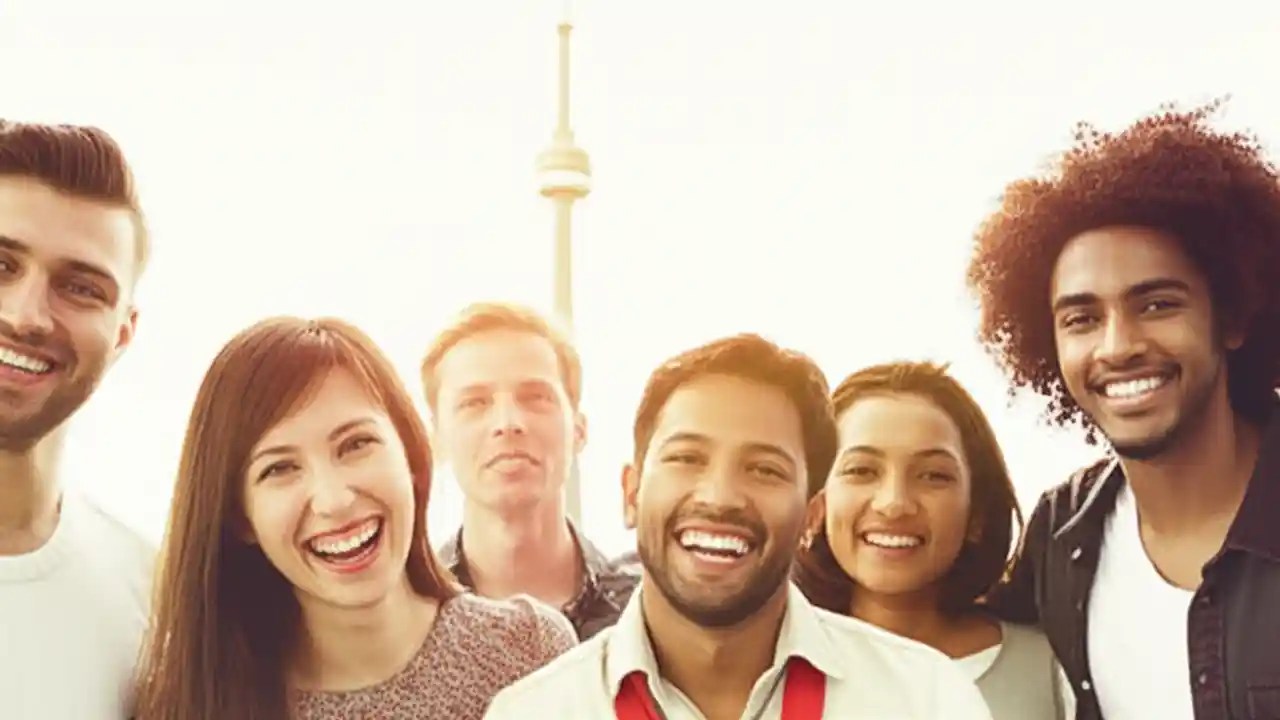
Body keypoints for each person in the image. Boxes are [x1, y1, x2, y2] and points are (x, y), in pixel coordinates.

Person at [484, 334, 994, 719]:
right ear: (631, 493)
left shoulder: (926, 700)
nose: (720, 496)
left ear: (811, 516)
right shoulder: (533, 712)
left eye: (764, 469)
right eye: (687, 457)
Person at [968, 99, 1280, 720]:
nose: (1118, 347)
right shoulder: (1061, 535)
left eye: (1158, 305)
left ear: (1235, 316)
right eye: (1082, 319)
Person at [132, 317, 576, 720]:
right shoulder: (185, 703)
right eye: (280, 469)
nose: (334, 500)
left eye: (355, 445)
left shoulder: (532, 652)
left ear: (411, 455)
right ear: (240, 517)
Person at [794, 361, 1069, 720]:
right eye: (862, 470)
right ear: (816, 502)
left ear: (977, 514)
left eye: (933, 476)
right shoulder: (769, 661)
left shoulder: (1049, 668)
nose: (894, 503)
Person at [0, 120, 154, 719]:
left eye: (81, 287)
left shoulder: (152, 597)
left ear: (123, 334)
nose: (26, 316)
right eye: (2, 266)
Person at [422, 301, 638, 639]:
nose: (508, 423)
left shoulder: (645, 617)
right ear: (437, 439)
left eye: (535, 397)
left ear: (579, 430)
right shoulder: (410, 621)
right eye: (474, 403)